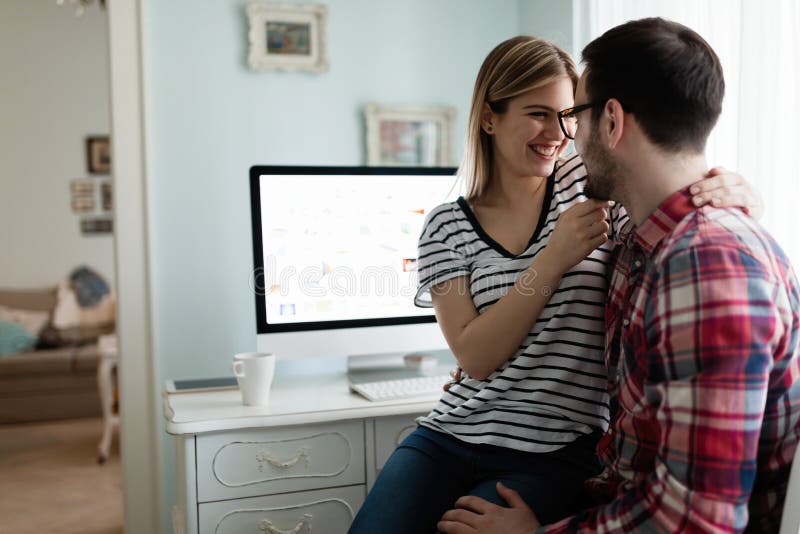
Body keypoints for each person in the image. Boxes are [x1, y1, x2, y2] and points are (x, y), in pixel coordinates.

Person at [349, 35, 759, 534]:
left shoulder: (594, 195)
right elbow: (476, 358)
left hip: (555, 452)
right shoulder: (446, 226)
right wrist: (552, 259)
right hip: (448, 437)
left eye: (567, 116)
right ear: (489, 118)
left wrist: (739, 194)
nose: (558, 133)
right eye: (538, 114)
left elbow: (670, 212)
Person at [437, 18, 800, 534]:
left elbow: (691, 523)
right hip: (602, 495)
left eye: (573, 116)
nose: (568, 138)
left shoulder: (705, 264)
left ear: (610, 121)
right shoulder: (638, 241)